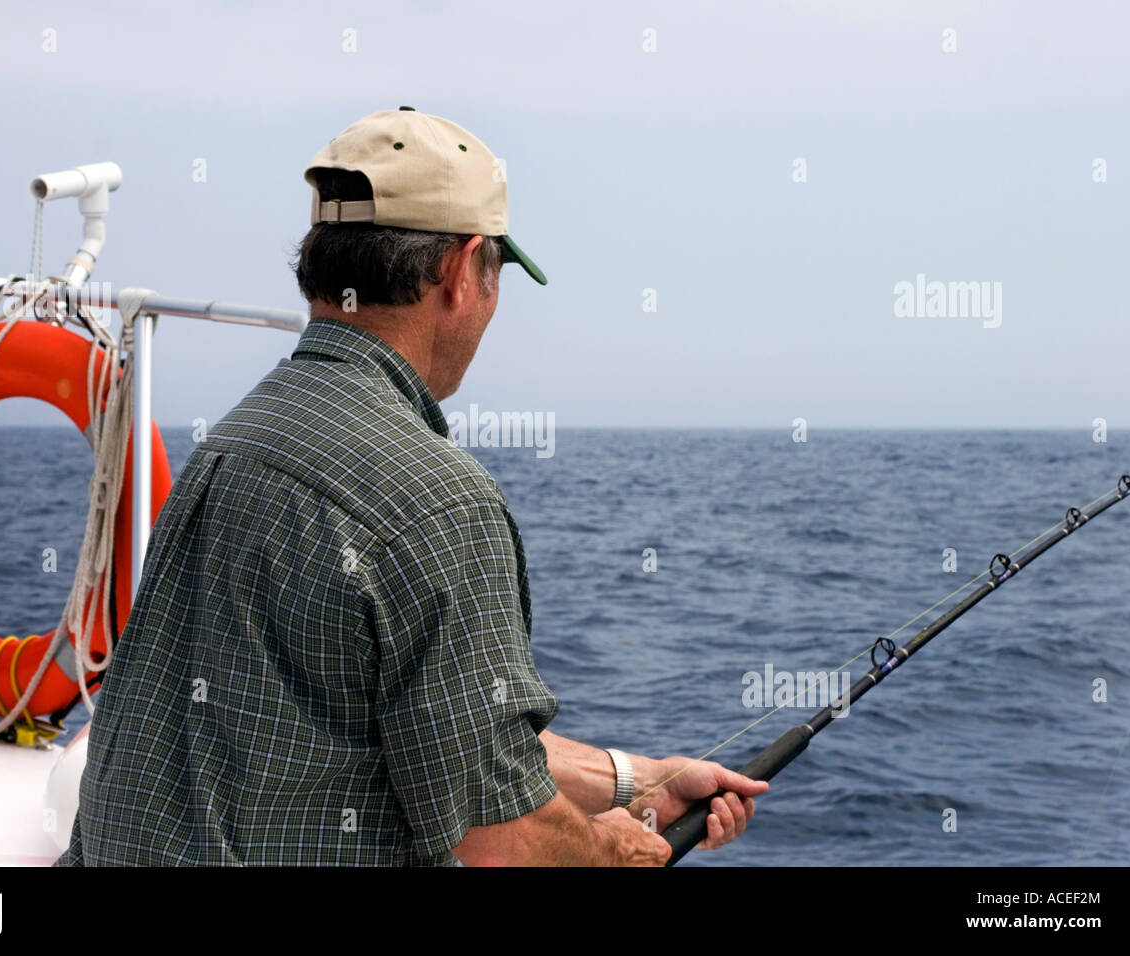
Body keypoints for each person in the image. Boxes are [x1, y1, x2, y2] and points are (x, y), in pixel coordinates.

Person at [56, 107, 767, 866]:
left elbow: (434, 730)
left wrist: (636, 782)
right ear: (462, 272)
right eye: (496, 276)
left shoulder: (235, 440)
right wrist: (608, 851)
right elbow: (505, 837)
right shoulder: (439, 502)